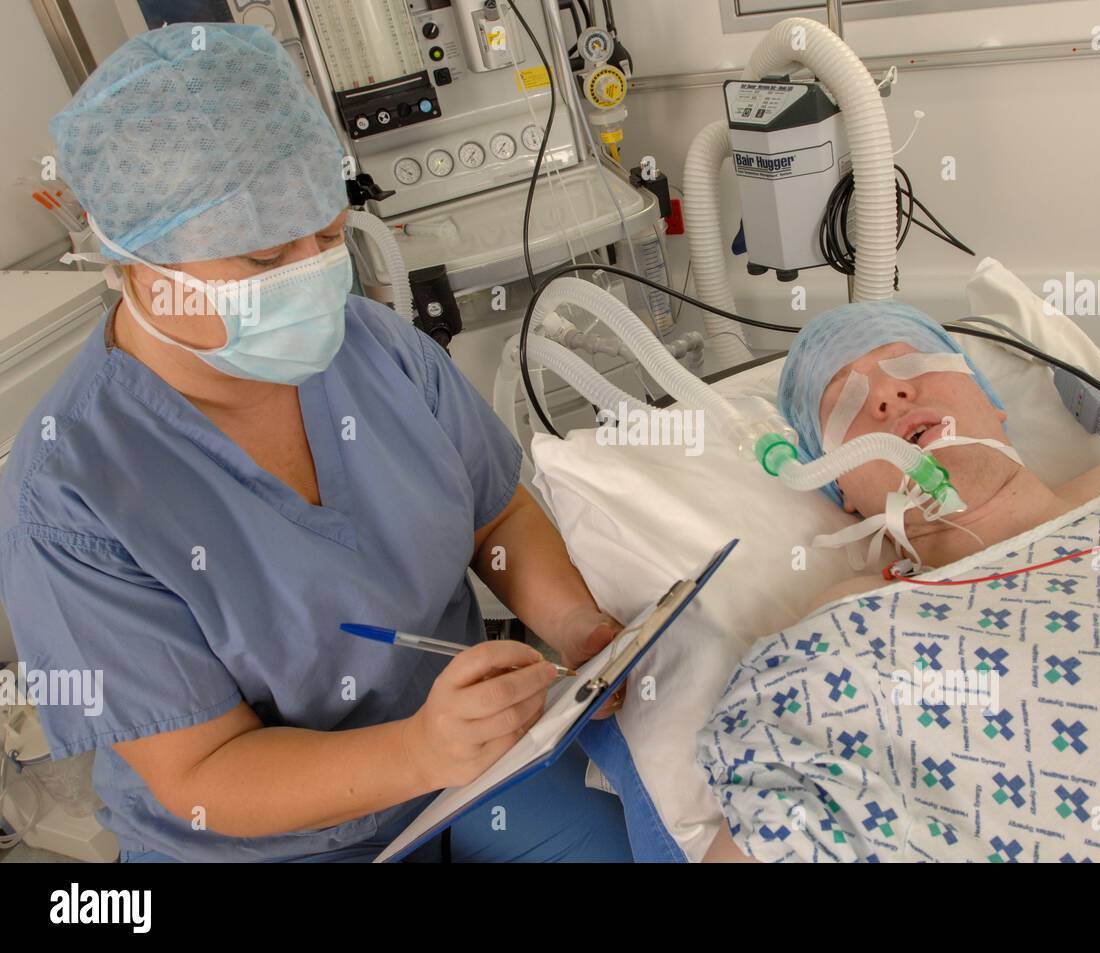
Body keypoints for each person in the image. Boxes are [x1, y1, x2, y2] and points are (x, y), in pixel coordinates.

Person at [0, 23, 631, 862]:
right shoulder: (70, 497)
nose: (313, 274)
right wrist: (417, 750)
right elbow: (202, 773)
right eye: (267, 255)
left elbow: (496, 516)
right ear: (146, 270)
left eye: (328, 236)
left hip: (465, 767)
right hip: (265, 836)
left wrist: (576, 624)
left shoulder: (369, 345)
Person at [699, 301, 1100, 862]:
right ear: (840, 490)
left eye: (909, 364)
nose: (889, 393)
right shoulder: (840, 651)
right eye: (848, 402)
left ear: (991, 400)